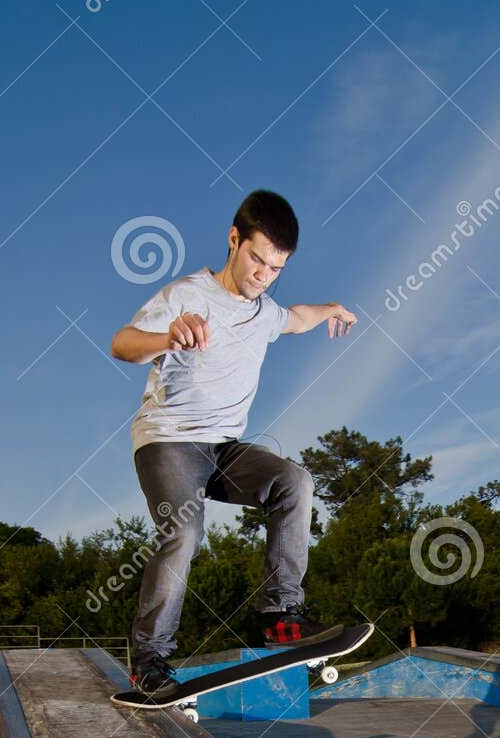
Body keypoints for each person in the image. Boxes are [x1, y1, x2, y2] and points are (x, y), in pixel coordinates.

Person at [110, 188, 356, 698]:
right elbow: (122, 344)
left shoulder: (265, 313)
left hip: (222, 450)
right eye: (256, 259)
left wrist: (330, 307)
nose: (261, 275)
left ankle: (279, 616)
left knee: (295, 482)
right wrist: (167, 338)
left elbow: (298, 317)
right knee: (184, 529)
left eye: (275, 269)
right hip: (168, 440)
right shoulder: (186, 296)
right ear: (233, 240)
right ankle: (150, 659)